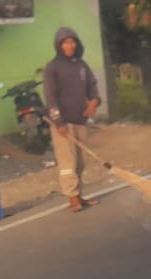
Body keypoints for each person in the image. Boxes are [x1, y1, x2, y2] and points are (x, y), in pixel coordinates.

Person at [42, 27, 101, 213]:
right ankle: (72, 197)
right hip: (63, 122)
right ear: (59, 45)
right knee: (68, 161)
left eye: (72, 41)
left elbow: (92, 86)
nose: (70, 45)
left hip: (80, 120)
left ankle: (79, 194)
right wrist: (58, 122)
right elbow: (50, 97)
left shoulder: (82, 65)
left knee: (81, 161)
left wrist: (94, 101)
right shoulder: (52, 67)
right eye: (66, 42)